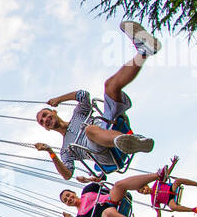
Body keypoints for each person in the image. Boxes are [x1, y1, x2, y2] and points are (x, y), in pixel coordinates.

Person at [33, 21, 160, 180]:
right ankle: (127, 141)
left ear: (54, 111)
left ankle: (144, 51)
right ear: (46, 128)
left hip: (108, 126)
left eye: (45, 115)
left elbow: (83, 95)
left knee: (110, 86)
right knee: (90, 130)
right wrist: (51, 152)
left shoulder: (78, 115)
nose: (45, 120)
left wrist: (59, 98)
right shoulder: (65, 149)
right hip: (104, 155)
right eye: (42, 121)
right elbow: (67, 174)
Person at [59, 170, 174, 217]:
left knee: (119, 185)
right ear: (66, 204)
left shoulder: (86, 190)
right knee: (109, 213)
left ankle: (157, 175)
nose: (68, 199)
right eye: (65, 200)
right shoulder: (80, 216)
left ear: (73, 192)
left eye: (68, 195)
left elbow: (102, 177)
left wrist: (87, 179)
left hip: (113, 200)